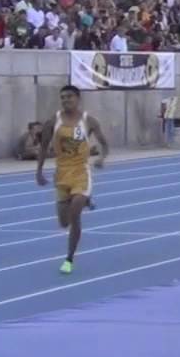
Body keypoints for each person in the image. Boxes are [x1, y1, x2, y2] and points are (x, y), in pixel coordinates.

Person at [36, 85, 109, 275]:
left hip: (81, 172)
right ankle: (84, 200)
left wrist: (102, 157)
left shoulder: (88, 121)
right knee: (64, 222)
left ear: (78, 98)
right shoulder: (53, 121)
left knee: (75, 214)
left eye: (69, 97)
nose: (66, 100)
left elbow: (104, 143)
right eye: (62, 97)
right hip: (62, 174)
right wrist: (39, 171)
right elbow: (43, 147)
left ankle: (69, 259)